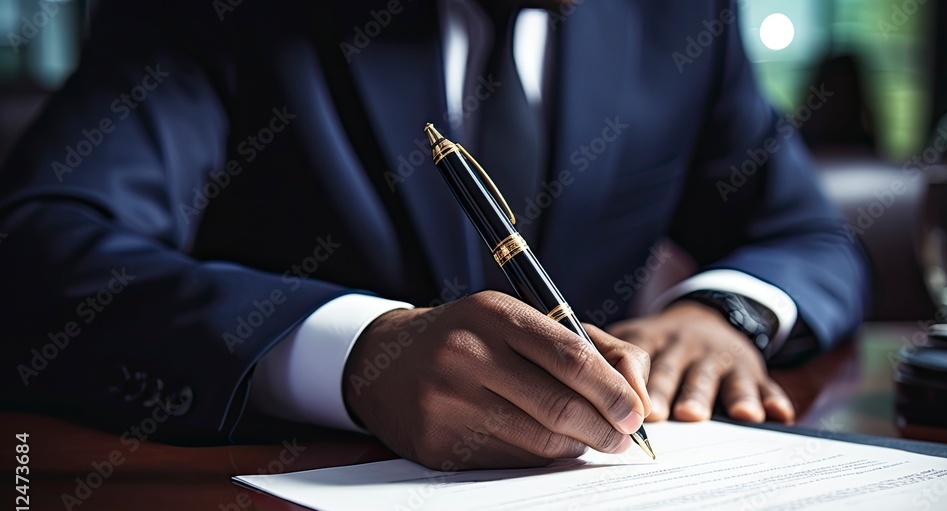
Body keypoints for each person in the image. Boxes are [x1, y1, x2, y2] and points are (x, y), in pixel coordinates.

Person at [0, 0, 869, 469]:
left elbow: (806, 233)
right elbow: (42, 248)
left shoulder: (679, 19)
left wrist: (723, 312)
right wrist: (355, 353)